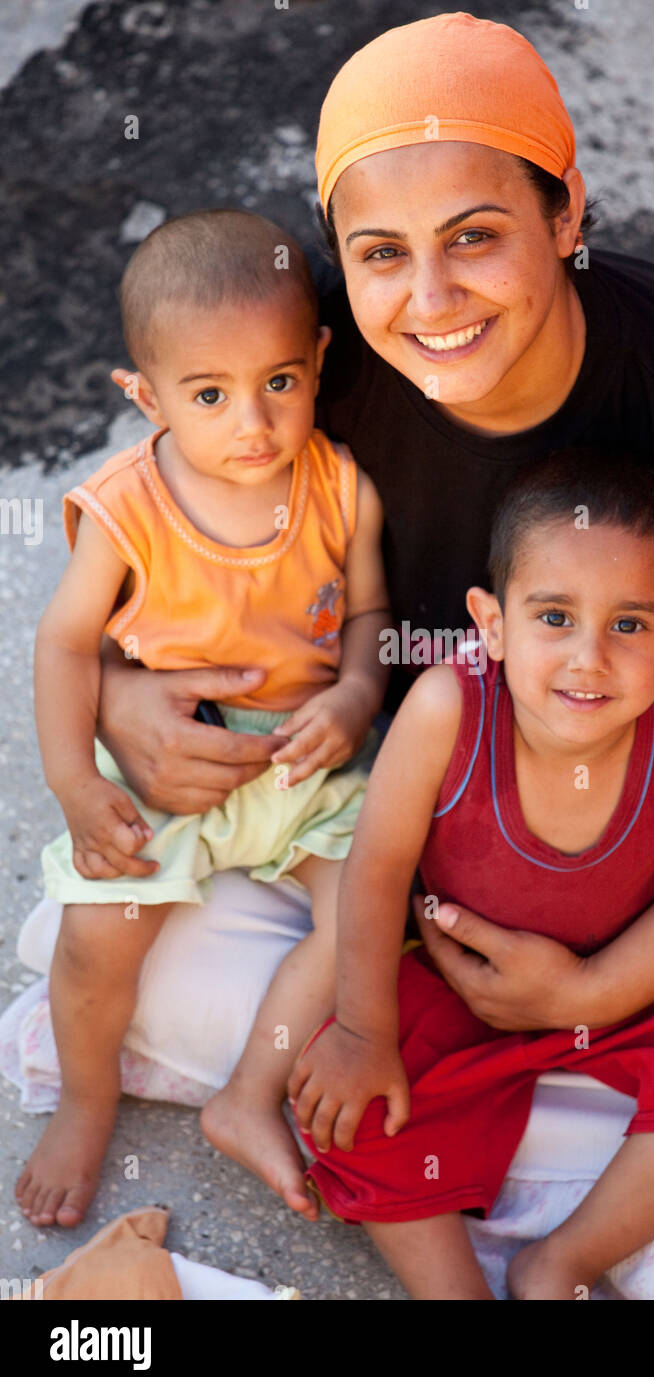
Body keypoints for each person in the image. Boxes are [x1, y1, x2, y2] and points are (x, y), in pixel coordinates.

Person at [16, 13, 654, 1288]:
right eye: (380, 255)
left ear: (567, 215)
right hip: (412, 830)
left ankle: (557, 1179)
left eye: (474, 237)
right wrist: (126, 697)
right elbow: (154, 530)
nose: (428, 302)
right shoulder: (317, 370)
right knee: (142, 948)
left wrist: (593, 987)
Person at [289, 450, 654, 1300]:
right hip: (465, 978)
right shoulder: (445, 711)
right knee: (348, 1113)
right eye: (555, 617)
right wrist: (361, 1033)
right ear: (491, 625)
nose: (589, 658)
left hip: (635, 977)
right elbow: (377, 870)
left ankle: (562, 1261)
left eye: (631, 626)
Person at [15, 209, 389, 1229]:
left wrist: (356, 694)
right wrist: (75, 783)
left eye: (278, 381)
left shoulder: (339, 484)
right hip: (169, 768)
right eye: (209, 395)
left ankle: (247, 1096)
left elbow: (365, 614)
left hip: (306, 762)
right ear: (146, 396)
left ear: (317, 358)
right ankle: (88, 1101)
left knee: (369, 916)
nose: (252, 424)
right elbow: (61, 645)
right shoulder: (125, 508)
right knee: (99, 936)